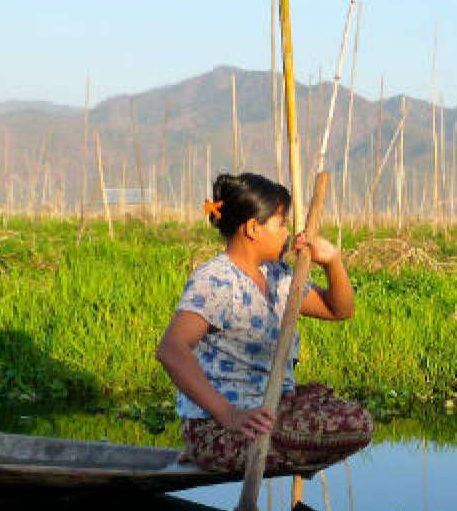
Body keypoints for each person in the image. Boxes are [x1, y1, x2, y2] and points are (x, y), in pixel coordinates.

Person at [156, 173, 372, 475]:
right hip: (223, 428)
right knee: (353, 426)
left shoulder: (280, 276)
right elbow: (171, 350)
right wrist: (229, 414)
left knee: (347, 413)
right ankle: (214, 450)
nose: (288, 233)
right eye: (281, 223)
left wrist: (332, 262)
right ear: (253, 229)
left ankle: (294, 450)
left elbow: (340, 310)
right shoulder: (216, 280)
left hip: (271, 411)